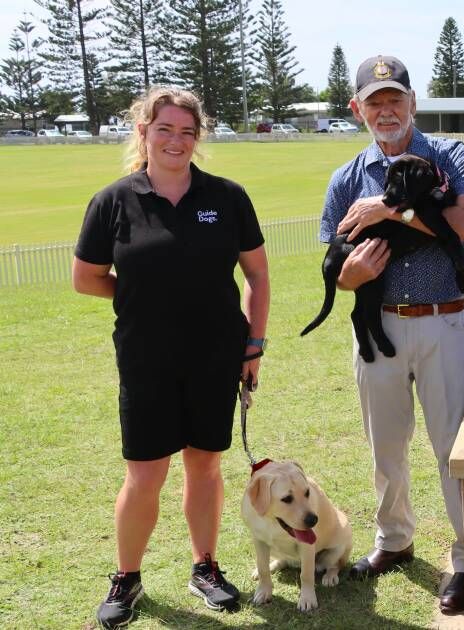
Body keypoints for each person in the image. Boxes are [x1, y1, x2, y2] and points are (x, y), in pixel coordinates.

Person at [73, 86, 270, 628]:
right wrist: (142, 296)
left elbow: (256, 274)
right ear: (144, 132)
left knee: (204, 466)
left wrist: (253, 344)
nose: (176, 141)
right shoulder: (113, 201)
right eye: (164, 129)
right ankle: (127, 577)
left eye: (187, 131)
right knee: (144, 474)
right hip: (146, 358)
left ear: (197, 137)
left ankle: (205, 567)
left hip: (216, 355)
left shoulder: (227, 197)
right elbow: (86, 278)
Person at [319, 55, 464, 615]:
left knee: (452, 446)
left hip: (443, 319)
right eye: (375, 102)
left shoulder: (448, 156)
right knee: (385, 444)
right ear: (357, 109)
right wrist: (350, 277)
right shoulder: (346, 177)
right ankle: (394, 539)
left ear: (413, 102)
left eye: (395, 99)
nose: (386, 111)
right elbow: (337, 267)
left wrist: (392, 211)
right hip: (380, 325)